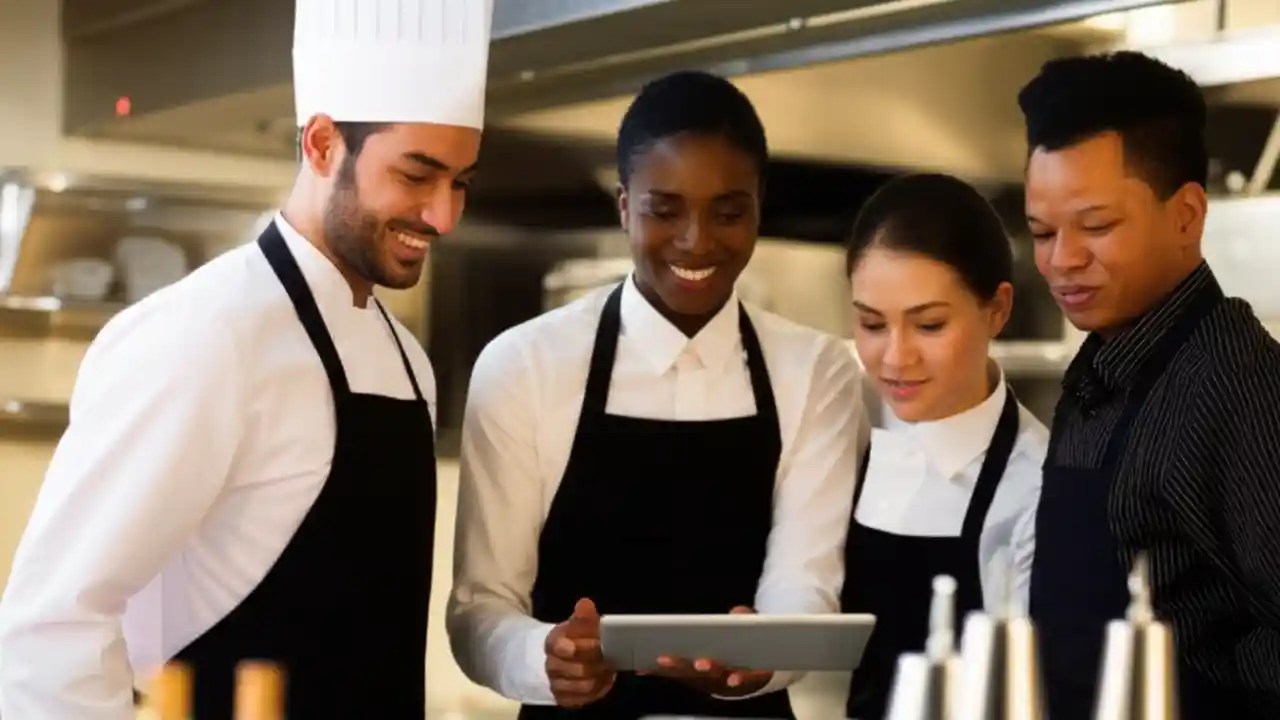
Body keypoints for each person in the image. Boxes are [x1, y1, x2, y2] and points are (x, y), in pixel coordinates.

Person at [0, 1, 493, 718]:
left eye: (461, 182)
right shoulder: (205, 336)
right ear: (323, 144)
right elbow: (53, 628)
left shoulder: (408, 360)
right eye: (417, 175)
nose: (444, 214)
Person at [446, 69, 862, 720]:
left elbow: (805, 587)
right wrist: (543, 657)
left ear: (758, 205)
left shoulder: (817, 369)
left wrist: (764, 659)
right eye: (664, 211)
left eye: (728, 212)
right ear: (623, 206)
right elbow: (479, 609)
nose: (697, 240)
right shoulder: (524, 364)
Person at [1019, 51, 1280, 719]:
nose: (1062, 260)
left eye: (1097, 226)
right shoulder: (1102, 370)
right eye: (1042, 232)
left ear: (1187, 214)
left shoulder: (1235, 384)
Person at [837, 173, 1048, 720]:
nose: (894, 357)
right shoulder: (846, 436)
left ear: (997, 310)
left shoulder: (1036, 486)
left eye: (928, 325)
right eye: (871, 323)